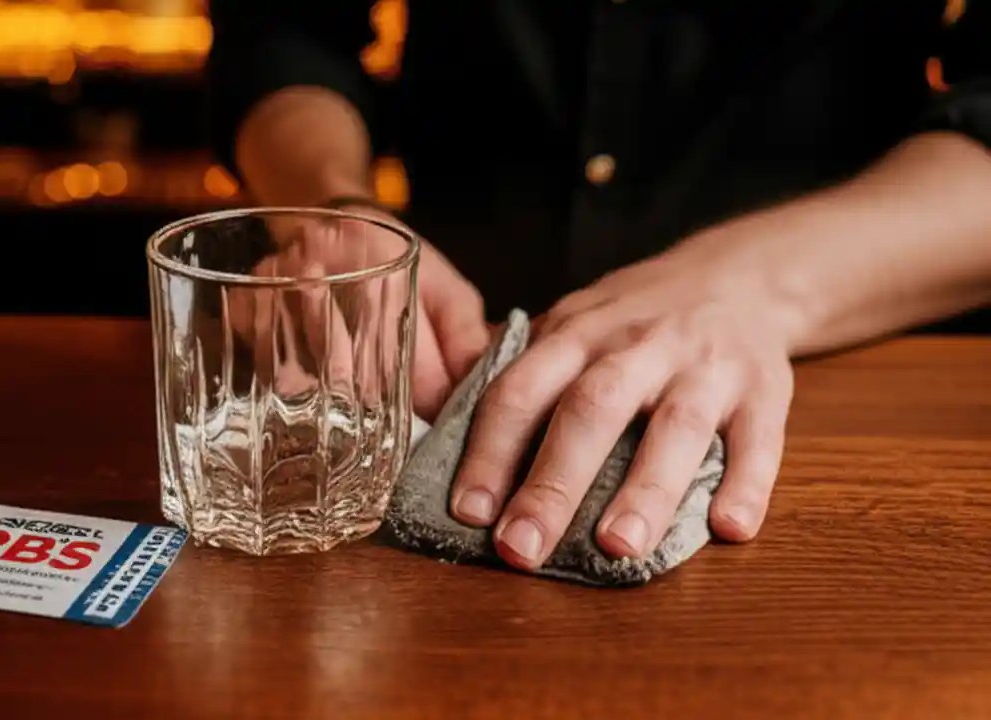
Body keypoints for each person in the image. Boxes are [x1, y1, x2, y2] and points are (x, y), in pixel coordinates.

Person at [204, 1, 991, 572]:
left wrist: (751, 285)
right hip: (432, 351)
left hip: (846, 355)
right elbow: (280, 29)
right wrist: (334, 204)